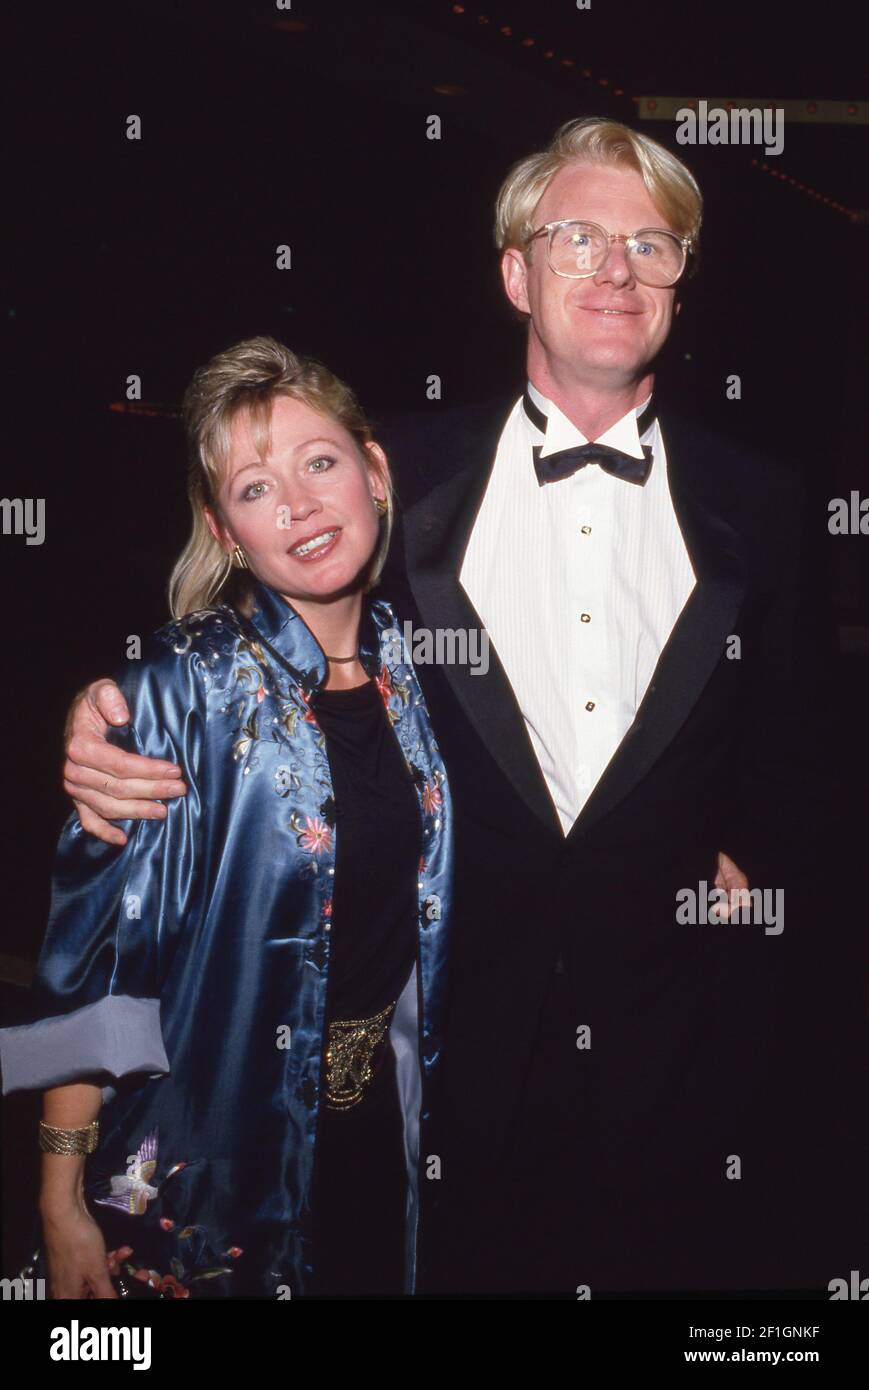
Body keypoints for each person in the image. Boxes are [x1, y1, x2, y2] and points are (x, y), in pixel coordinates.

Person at [55, 118, 862, 1296]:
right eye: (576, 237)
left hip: (682, 1062)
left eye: (650, 245)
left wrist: (752, 875)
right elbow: (254, 609)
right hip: (440, 1070)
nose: (613, 270)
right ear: (514, 273)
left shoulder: (765, 497)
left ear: (681, 285)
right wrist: (100, 712)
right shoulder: (399, 473)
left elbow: (803, 755)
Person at [0, 337, 453, 1298]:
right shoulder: (176, 694)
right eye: (254, 487)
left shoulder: (425, 665)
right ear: (223, 528)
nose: (295, 504)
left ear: (374, 472)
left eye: (319, 462)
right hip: (209, 1158)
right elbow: (98, 965)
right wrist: (59, 1197)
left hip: (388, 1138)